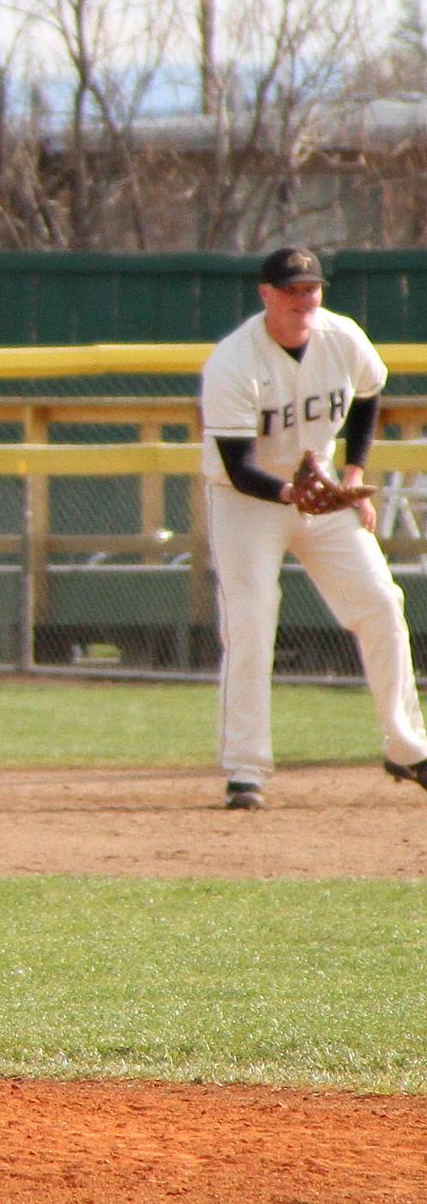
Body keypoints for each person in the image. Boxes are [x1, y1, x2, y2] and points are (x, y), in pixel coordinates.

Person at [199, 245, 427, 810]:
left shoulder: (341, 336)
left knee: (379, 600)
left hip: (322, 490)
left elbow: (371, 394)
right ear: (266, 294)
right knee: (251, 619)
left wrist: (351, 473)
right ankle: (245, 769)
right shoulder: (234, 361)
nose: (304, 299)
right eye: (292, 290)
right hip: (247, 498)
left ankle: (406, 746)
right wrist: (290, 494)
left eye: (311, 289)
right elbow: (236, 465)